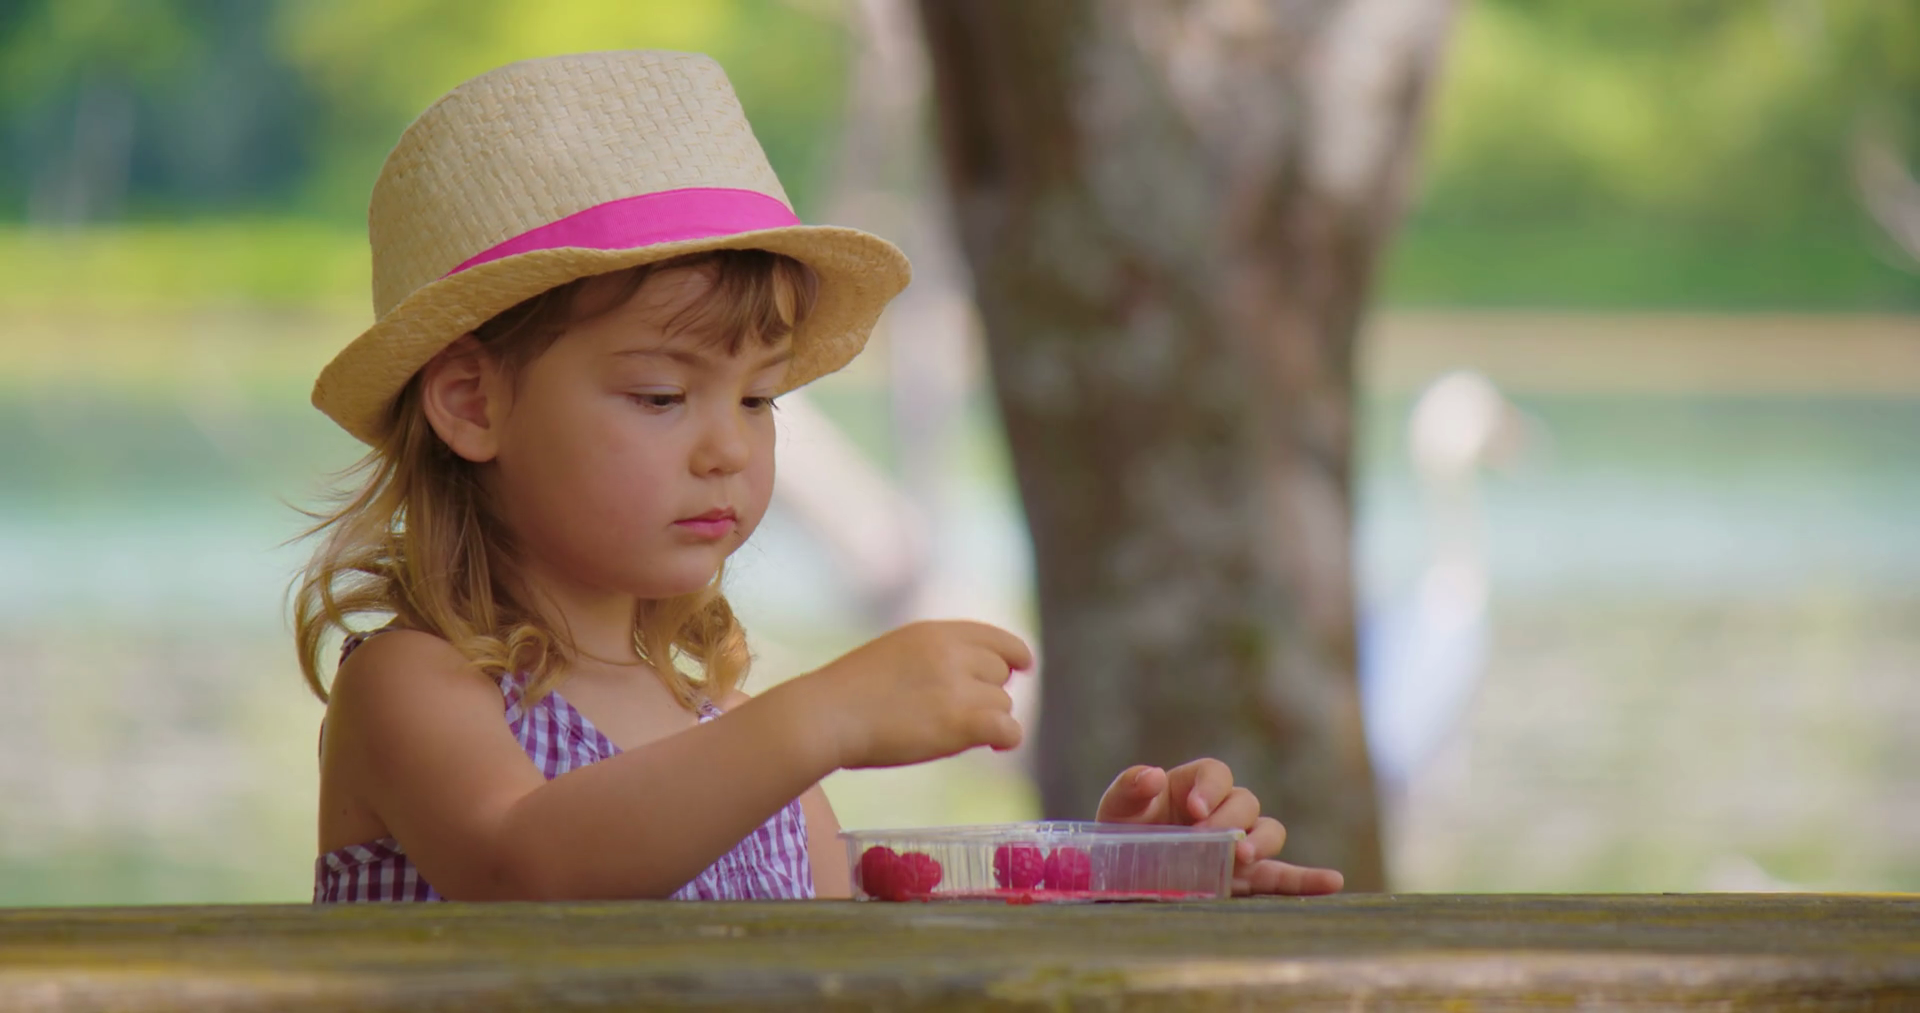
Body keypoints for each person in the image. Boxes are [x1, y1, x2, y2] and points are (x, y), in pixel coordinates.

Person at [294, 50, 1344, 902]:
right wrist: (820, 718)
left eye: (758, 399)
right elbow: (522, 866)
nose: (729, 448)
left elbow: (839, 959)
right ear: (473, 404)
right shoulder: (418, 685)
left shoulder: (720, 725)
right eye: (662, 396)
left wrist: (1114, 876)